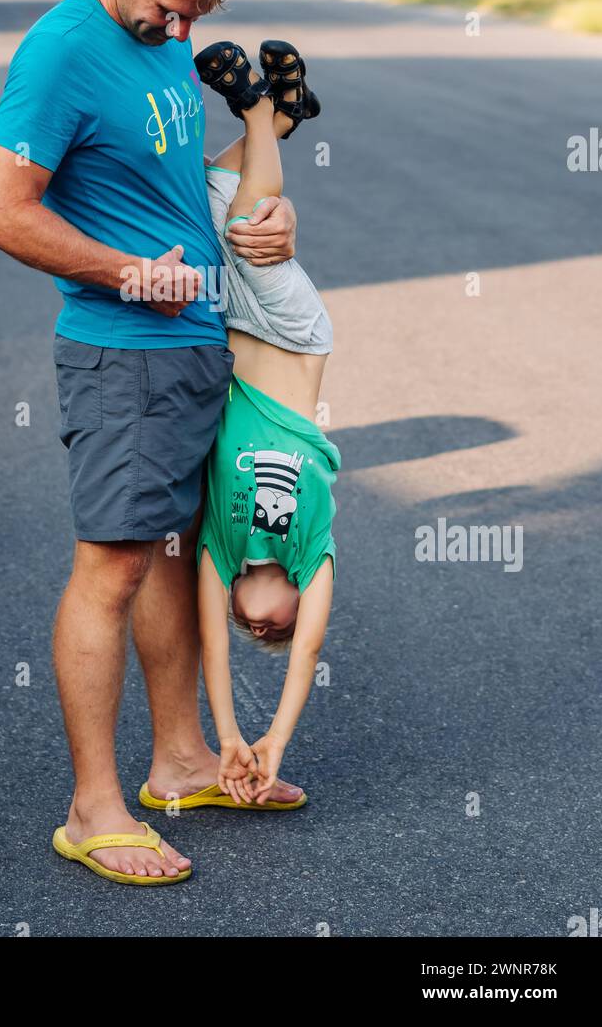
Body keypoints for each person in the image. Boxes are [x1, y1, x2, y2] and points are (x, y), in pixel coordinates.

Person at [0, 0, 304, 887]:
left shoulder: (163, 34)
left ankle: (179, 762)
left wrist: (258, 214)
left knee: (168, 554)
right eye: (169, 5)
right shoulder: (60, 51)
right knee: (112, 566)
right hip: (120, 354)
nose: (180, 27)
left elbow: (165, 178)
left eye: (198, 12)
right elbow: (1, 213)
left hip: (192, 346)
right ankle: (92, 807)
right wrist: (131, 274)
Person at [181, 40, 341, 813]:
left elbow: (210, 641)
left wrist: (228, 732)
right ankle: (256, 107)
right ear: (284, 619)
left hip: (239, 329)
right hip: (296, 338)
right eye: (268, 632)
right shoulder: (310, 553)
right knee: (249, 227)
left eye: (254, 628)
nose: (256, 626)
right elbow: (310, 650)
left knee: (211, 194)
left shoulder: (220, 544)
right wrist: (275, 739)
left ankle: (279, 115)